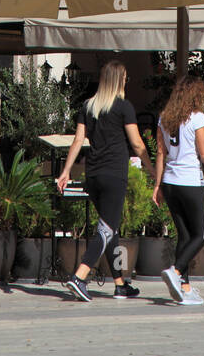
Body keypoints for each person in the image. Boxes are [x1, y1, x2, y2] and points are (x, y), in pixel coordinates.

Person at [56, 60, 153, 302]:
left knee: (110, 229)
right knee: (107, 229)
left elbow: (78, 141)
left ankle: (120, 283)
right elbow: (137, 143)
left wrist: (66, 170)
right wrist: (152, 168)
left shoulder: (88, 106)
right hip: (114, 175)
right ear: (119, 80)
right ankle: (80, 276)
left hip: (94, 175)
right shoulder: (124, 107)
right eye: (125, 78)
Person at [153, 74, 204, 305]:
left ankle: (184, 287)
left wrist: (157, 186)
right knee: (201, 234)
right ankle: (175, 272)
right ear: (197, 94)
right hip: (190, 182)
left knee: (184, 235)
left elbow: (160, 153)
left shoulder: (165, 118)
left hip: (170, 182)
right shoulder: (197, 118)